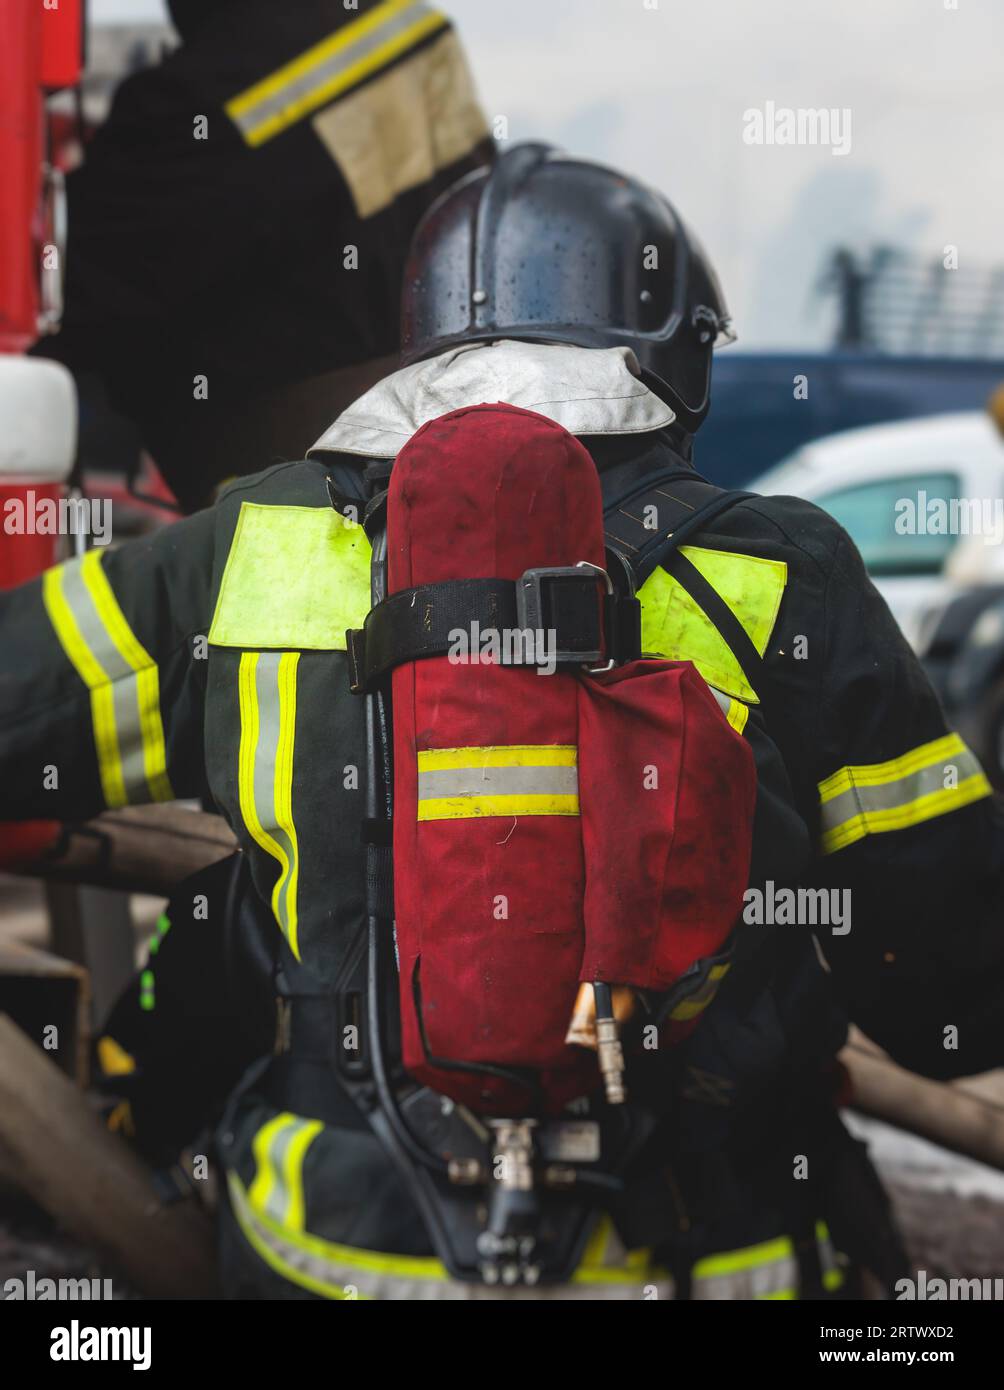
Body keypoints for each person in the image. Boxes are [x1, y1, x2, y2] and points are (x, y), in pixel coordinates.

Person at [4, 144, 1004, 1299]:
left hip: (329, 1258)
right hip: (696, 1262)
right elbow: (952, 1001)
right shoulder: (784, 573)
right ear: (677, 351)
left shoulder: (243, 552)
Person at [32, 0, 494, 511]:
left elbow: (67, 295)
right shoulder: (410, 23)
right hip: (461, 416)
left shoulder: (197, 98)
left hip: (305, 472)